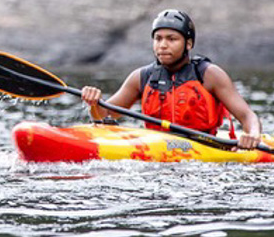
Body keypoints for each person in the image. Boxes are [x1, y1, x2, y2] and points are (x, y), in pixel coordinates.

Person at [80, 8, 262, 149]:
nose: (163, 45)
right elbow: (103, 115)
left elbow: (247, 116)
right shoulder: (141, 77)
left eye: (171, 39)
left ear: (188, 44)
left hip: (204, 152)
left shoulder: (209, 75)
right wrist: (94, 102)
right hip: (156, 150)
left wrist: (252, 135)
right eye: (158, 39)